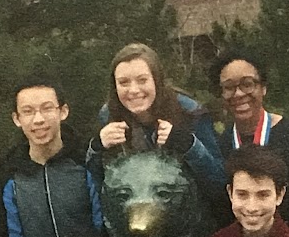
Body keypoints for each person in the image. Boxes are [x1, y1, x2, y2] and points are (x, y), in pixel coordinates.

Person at [209, 49, 289, 237]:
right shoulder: (221, 144)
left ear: (263, 87)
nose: (238, 94)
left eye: (247, 84)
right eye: (229, 87)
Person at [0, 76, 105, 237]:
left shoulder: (86, 163)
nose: (38, 120)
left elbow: (102, 227)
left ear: (63, 111)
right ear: (17, 118)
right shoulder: (11, 177)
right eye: (28, 111)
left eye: (47, 109)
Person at [87, 42, 226, 213]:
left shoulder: (190, 112)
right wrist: (97, 147)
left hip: (189, 220)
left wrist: (189, 144)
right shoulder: (108, 115)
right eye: (123, 82)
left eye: (142, 80)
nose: (133, 90)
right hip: (132, 219)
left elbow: (219, 184)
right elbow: (97, 185)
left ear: (157, 80)